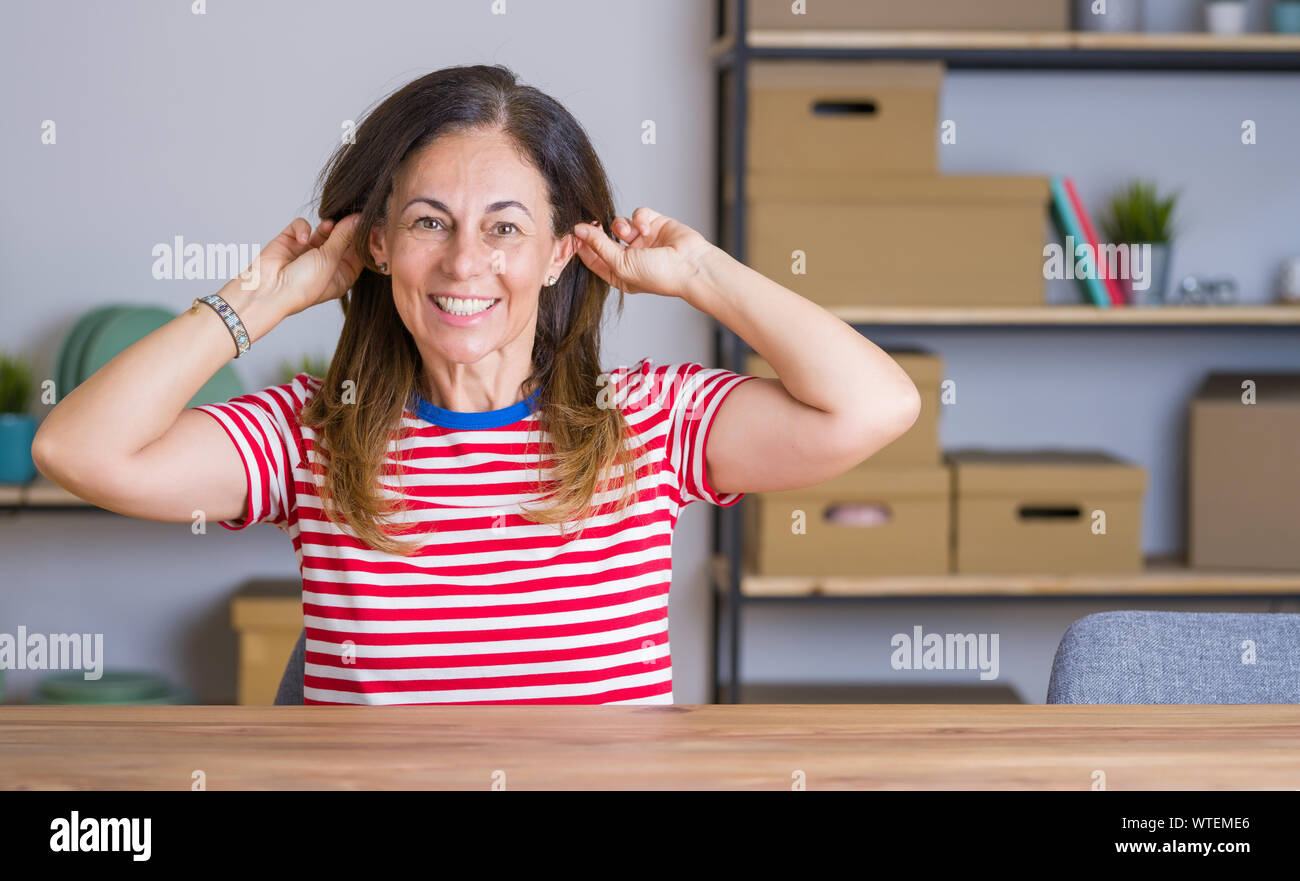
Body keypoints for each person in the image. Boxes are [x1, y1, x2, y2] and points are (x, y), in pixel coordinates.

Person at [33, 64, 920, 705]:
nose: (465, 261)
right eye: (430, 222)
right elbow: (75, 449)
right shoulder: (313, 435)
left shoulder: (651, 423)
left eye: (505, 227)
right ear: (377, 245)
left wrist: (702, 276)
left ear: (559, 251)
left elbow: (877, 405)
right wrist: (266, 298)